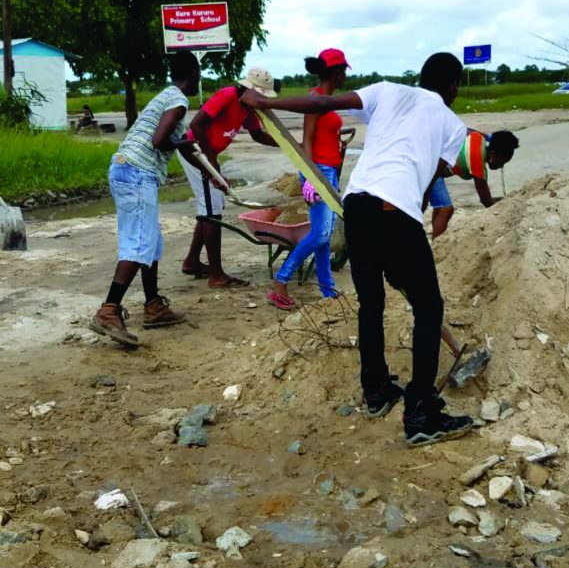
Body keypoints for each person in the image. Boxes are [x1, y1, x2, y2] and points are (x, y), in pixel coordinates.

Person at [243, 53, 475, 447]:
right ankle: (420, 412)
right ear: (453, 85)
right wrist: (406, 235)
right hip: (394, 211)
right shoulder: (453, 126)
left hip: (357, 207)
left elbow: (320, 102)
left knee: (372, 304)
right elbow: (428, 182)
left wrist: (266, 103)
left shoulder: (388, 91)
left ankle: (376, 391)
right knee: (428, 308)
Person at [90, 50, 224, 348]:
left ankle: (153, 305)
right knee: (140, 242)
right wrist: (185, 145)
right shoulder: (178, 99)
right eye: (198, 74)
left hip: (127, 168)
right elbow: (160, 141)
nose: (199, 79)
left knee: (149, 240)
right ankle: (109, 309)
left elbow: (183, 146)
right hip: (136, 171)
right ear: (193, 73)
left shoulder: (167, 96)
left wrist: (212, 173)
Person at [179, 68, 279, 288]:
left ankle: (192, 261)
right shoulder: (227, 96)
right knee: (212, 209)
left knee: (211, 206)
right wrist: (211, 161)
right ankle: (216, 275)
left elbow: (257, 135)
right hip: (194, 151)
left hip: (207, 155)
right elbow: (196, 124)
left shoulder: (248, 109)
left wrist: (288, 144)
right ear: (248, 89)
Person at [267, 49, 350, 310]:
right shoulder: (314, 100)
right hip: (319, 171)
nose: (346, 75)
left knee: (322, 235)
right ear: (335, 72)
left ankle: (327, 290)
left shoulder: (326, 99)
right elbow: (308, 140)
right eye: (344, 71)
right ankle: (281, 280)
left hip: (329, 170)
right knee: (321, 234)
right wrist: (310, 177)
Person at [429, 128, 520, 237]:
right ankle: (436, 250)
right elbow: (486, 201)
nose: (501, 166)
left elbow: (464, 130)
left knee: (440, 207)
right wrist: (505, 214)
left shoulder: (478, 137)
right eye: (501, 162)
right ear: (493, 154)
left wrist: (491, 138)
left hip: (431, 161)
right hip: (431, 167)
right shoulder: (477, 161)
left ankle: (434, 241)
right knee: (446, 210)